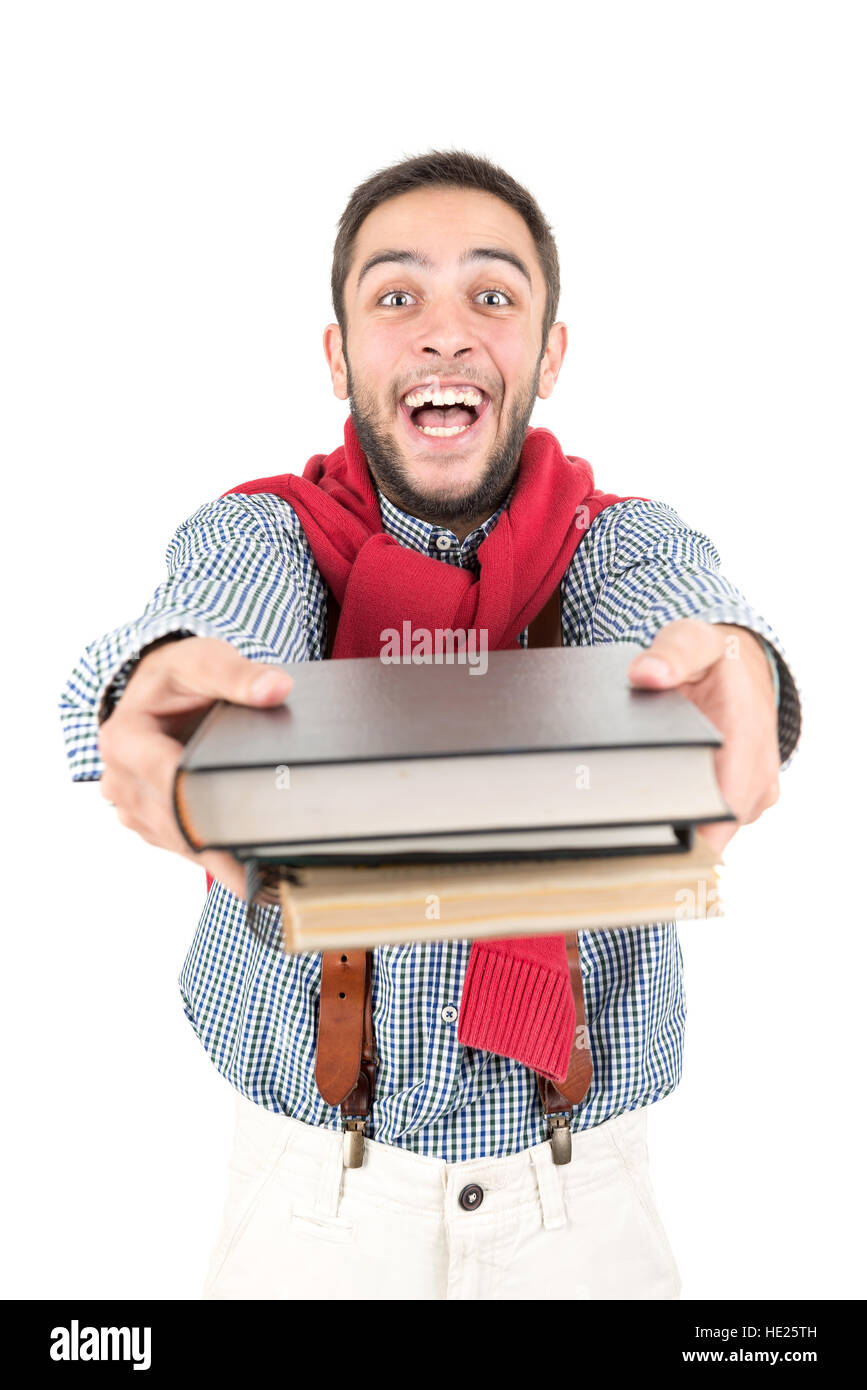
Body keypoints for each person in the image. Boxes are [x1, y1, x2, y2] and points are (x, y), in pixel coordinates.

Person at [58, 148, 801, 1301]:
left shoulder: (619, 542)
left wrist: (737, 663)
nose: (445, 333)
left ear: (548, 355)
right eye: (396, 296)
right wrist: (167, 683)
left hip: (583, 1202)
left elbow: (677, 600)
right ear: (339, 352)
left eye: (493, 296)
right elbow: (217, 609)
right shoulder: (268, 535)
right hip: (312, 1201)